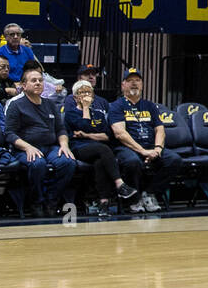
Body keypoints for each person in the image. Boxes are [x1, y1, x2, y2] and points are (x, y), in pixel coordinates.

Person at [4, 65, 77, 216]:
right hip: (25, 148)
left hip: (50, 147)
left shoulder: (50, 104)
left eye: (40, 80)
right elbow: (10, 134)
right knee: (38, 164)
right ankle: (36, 201)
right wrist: (27, 147)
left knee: (68, 162)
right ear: (24, 86)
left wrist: (64, 145)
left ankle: (51, 200)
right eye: (33, 80)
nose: (38, 83)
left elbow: (60, 129)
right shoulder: (16, 105)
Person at [64, 78, 138, 211]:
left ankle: (104, 202)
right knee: (103, 149)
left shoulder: (98, 114)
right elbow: (84, 125)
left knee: (100, 161)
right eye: (82, 93)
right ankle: (120, 184)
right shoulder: (70, 113)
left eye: (89, 92)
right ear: (75, 97)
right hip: (78, 148)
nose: (86, 95)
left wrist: (86, 135)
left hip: (98, 148)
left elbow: (106, 135)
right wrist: (85, 109)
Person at [108, 69, 176, 213]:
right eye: (130, 80)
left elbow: (160, 129)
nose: (134, 83)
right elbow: (120, 133)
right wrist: (143, 151)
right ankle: (134, 198)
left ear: (142, 85)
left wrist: (157, 149)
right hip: (126, 148)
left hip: (151, 147)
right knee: (132, 162)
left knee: (174, 159)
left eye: (137, 80)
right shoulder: (117, 106)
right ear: (123, 85)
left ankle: (150, 193)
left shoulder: (150, 106)